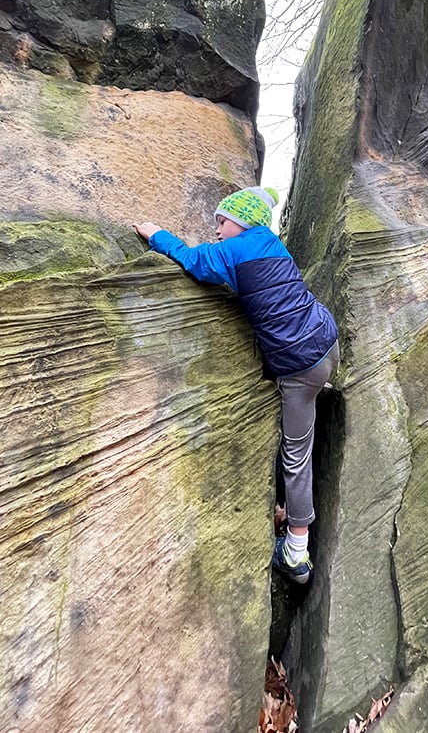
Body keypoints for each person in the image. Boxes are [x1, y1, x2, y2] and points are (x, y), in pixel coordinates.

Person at [134, 186, 339, 584]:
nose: (216, 230)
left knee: (297, 452)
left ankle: (296, 554)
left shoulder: (233, 252)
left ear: (241, 223)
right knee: (300, 416)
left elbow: (193, 261)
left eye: (222, 222)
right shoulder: (272, 243)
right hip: (326, 341)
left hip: (300, 365)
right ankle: (286, 501)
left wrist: (157, 234)